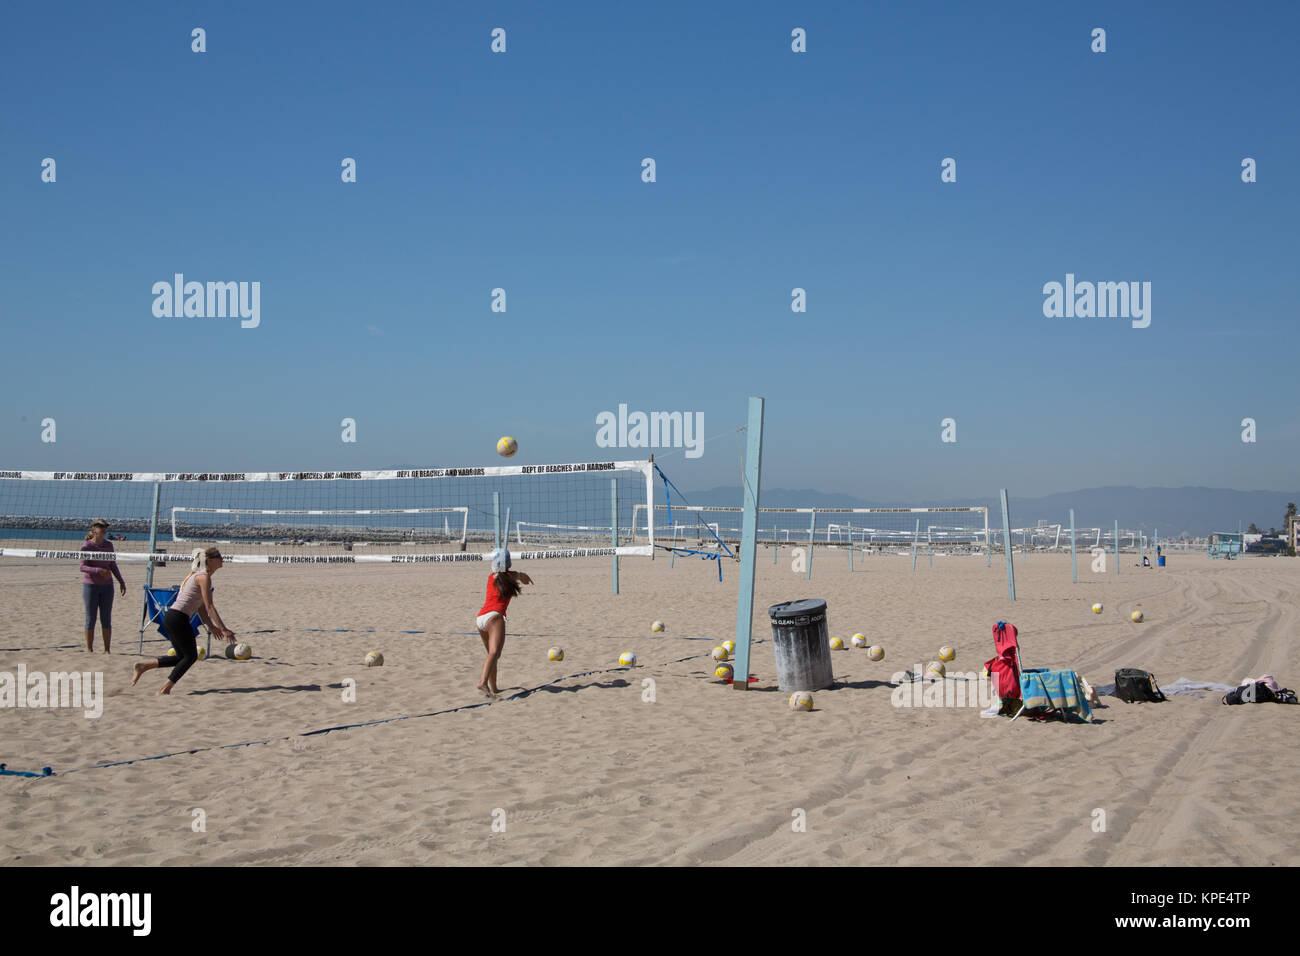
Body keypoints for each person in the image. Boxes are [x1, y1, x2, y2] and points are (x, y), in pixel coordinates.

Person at [131, 546, 236, 695]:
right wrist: (224, 628)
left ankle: (143, 666)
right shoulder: (203, 576)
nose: (222, 559)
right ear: (210, 560)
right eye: (219, 556)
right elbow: (209, 606)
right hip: (177, 618)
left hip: (174, 618)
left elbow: (200, 609)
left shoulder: (203, 576)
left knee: (181, 657)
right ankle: (164, 689)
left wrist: (212, 627)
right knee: (190, 656)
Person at [475, 549, 532, 697]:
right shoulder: (510, 577)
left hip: (480, 618)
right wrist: (525, 578)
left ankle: (494, 688)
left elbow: (515, 574)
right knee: (494, 653)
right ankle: (482, 682)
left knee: (492, 655)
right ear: (509, 564)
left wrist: (521, 576)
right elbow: (520, 575)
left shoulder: (491, 577)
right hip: (494, 617)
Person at [80, 518, 126, 653]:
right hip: (91, 586)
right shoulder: (86, 546)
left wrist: (121, 581)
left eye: (105, 526)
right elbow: (82, 567)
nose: (104, 528)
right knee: (90, 618)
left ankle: (107, 650)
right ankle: (89, 649)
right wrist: (98, 570)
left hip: (107, 587)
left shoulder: (109, 545)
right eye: (101, 526)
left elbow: (112, 564)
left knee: (106, 618)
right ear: (94, 530)